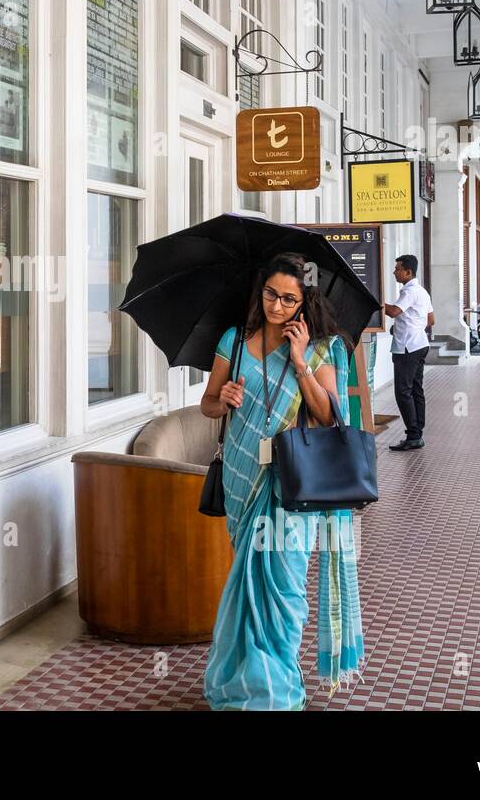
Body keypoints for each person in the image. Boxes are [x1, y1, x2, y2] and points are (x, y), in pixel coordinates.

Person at [200, 252, 365, 710]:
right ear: (260, 292)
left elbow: (330, 415)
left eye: (289, 299)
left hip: (293, 483)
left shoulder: (322, 348)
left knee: (286, 584)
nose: (277, 306)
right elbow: (208, 404)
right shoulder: (234, 341)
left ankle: (275, 687)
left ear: (303, 301)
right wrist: (223, 398)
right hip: (242, 474)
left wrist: (300, 362)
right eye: (271, 294)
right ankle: (243, 681)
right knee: (246, 584)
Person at [383, 254, 434, 451]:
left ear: (408, 272)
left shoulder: (409, 291)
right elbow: (430, 320)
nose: (394, 272)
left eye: (397, 269)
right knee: (416, 389)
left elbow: (394, 312)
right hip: (420, 344)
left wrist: (377, 301)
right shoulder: (422, 291)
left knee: (403, 391)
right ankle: (417, 432)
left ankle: (413, 435)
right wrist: (408, 326)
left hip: (407, 347)